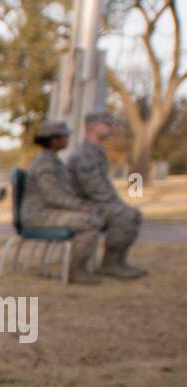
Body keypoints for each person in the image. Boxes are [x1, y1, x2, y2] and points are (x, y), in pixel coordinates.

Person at [19, 120, 103, 286]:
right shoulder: (45, 163)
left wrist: (83, 203)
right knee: (89, 222)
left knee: (95, 214)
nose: (67, 138)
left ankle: (83, 266)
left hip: (47, 212)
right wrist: (79, 207)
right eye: (65, 135)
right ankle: (76, 270)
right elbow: (52, 196)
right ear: (53, 139)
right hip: (39, 215)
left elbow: (64, 193)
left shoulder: (53, 161)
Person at [68, 110, 146, 279]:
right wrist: (116, 205)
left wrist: (117, 202)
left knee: (132, 214)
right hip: (85, 204)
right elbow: (93, 187)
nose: (111, 128)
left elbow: (104, 185)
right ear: (94, 127)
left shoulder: (97, 151)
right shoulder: (83, 154)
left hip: (98, 202)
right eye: (107, 124)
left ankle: (117, 261)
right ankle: (111, 264)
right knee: (125, 214)